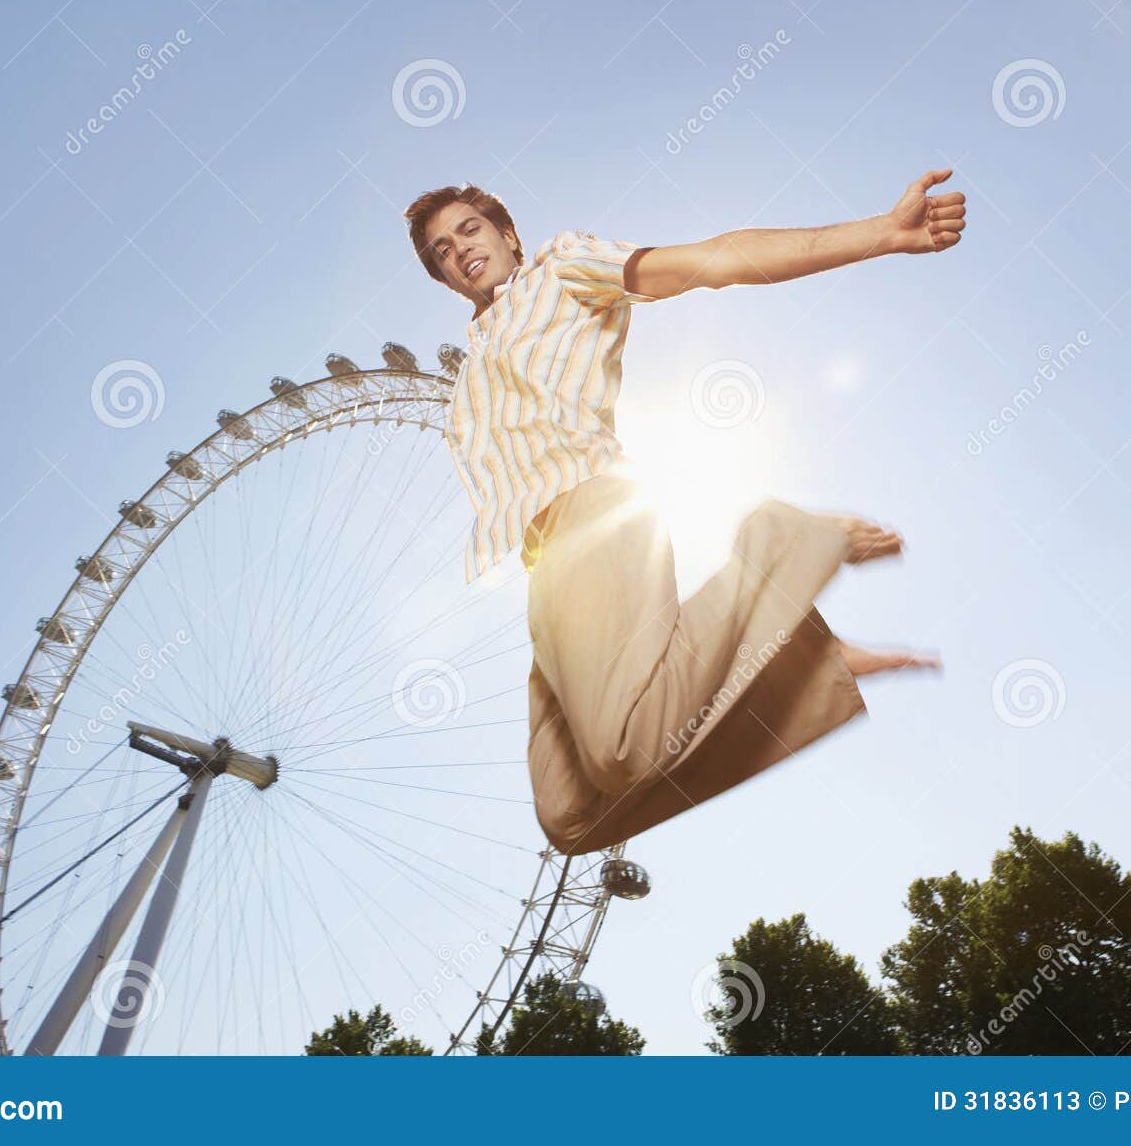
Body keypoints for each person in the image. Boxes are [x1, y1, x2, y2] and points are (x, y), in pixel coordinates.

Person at [404, 170, 965, 855]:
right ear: (442, 276)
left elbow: (714, 260)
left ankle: (783, 544)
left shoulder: (560, 269)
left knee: (622, 754)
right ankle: (801, 660)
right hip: (543, 571)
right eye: (440, 250)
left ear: (508, 235)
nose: (458, 248)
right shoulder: (471, 372)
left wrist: (880, 232)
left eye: (469, 229)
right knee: (570, 814)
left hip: (594, 515)